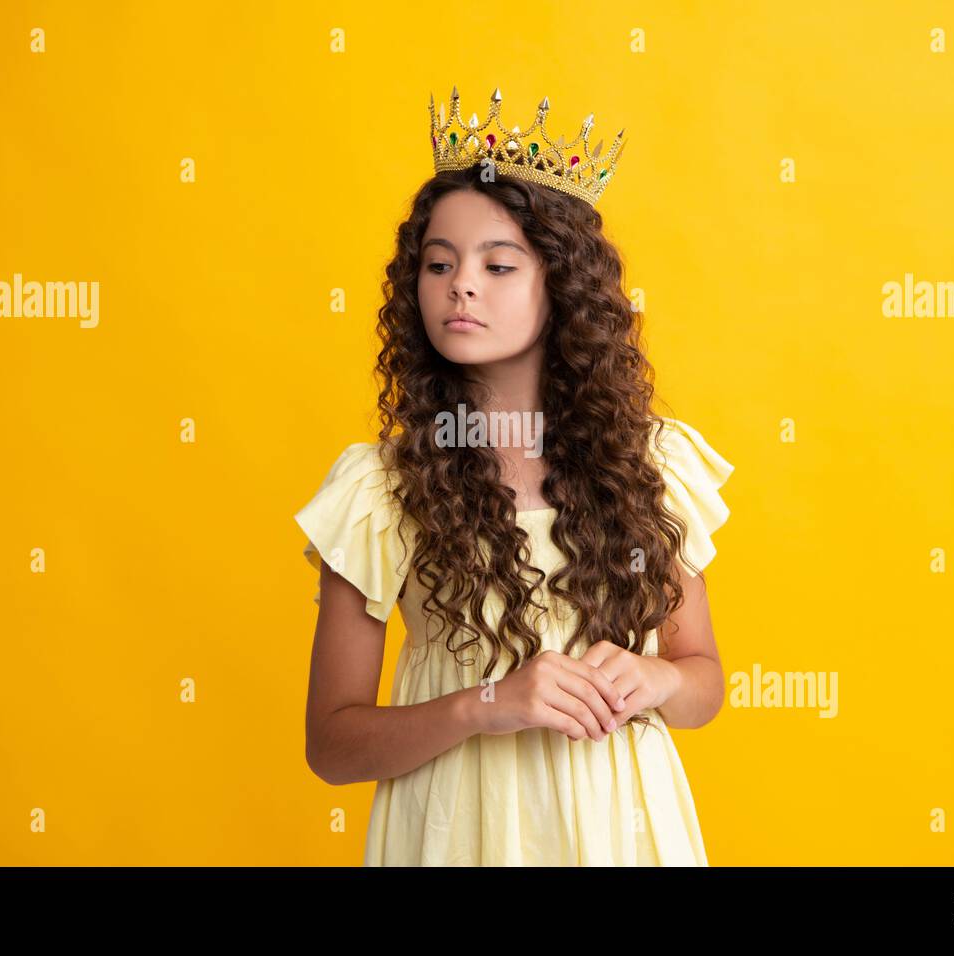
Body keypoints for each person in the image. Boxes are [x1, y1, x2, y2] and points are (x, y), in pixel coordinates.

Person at [295, 87, 735, 865]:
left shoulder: (647, 467)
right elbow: (332, 745)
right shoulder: (380, 492)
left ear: (561, 291)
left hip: (621, 834)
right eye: (439, 263)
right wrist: (486, 705)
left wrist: (653, 680)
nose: (461, 284)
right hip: (456, 831)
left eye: (498, 265)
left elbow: (702, 681)